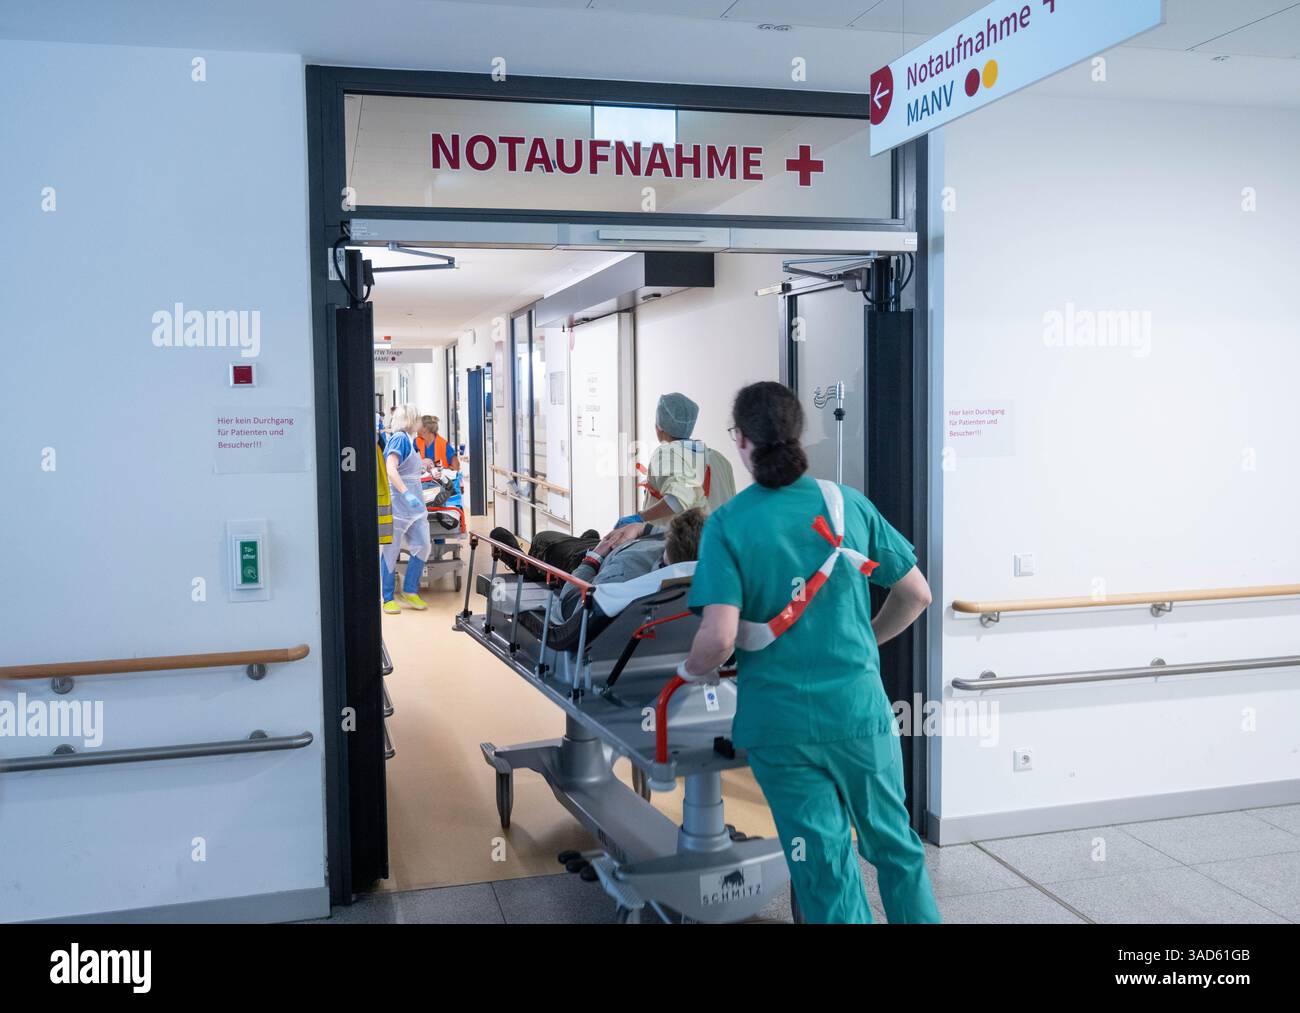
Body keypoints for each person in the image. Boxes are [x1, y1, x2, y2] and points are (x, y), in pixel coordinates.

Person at [680, 381, 939, 925]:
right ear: (796, 436)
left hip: (782, 727)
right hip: (859, 714)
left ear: (742, 441)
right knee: (897, 848)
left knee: (822, 864)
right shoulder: (847, 505)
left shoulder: (728, 525)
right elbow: (917, 593)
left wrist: (688, 671)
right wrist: (868, 636)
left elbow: (719, 638)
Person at [496, 509, 704, 650]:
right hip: (619, 547)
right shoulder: (695, 561)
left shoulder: (624, 575)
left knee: (544, 540)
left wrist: (592, 558)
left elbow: (571, 603)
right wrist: (643, 529)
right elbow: (670, 533)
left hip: (586, 562)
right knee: (589, 539)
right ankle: (585, 540)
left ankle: (521, 562)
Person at [617, 392, 735, 530]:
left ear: (659, 426)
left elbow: (678, 499)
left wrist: (640, 517)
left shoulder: (666, 453)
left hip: (679, 547)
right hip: (716, 545)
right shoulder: (719, 459)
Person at [380, 404, 432, 615]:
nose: (421, 422)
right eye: (418, 418)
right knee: (390, 551)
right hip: (400, 505)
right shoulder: (399, 438)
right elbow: (391, 469)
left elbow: (407, 466)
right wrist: (405, 493)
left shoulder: (410, 441)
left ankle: (410, 590)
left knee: (423, 546)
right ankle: (388, 597)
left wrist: (423, 464)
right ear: (410, 419)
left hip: (415, 508)